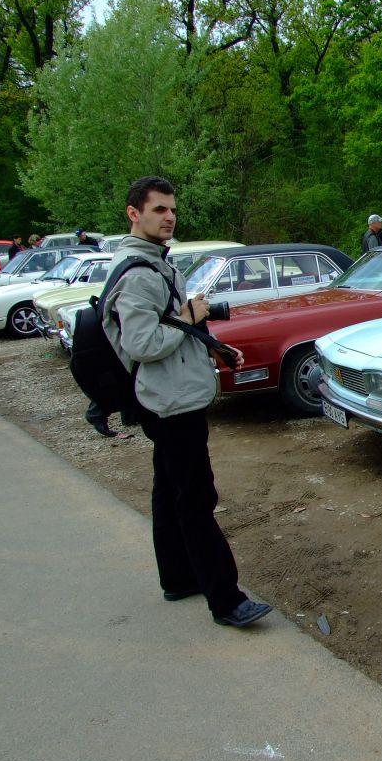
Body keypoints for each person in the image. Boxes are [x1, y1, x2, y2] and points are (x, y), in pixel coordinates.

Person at [102, 175, 272, 629]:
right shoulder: (139, 274)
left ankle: (177, 577)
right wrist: (189, 314)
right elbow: (143, 342)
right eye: (159, 209)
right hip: (171, 403)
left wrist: (213, 344)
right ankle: (227, 600)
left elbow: (173, 331)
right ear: (134, 213)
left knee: (169, 491)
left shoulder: (156, 263)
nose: (169, 217)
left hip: (169, 396)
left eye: (172, 209)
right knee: (196, 498)